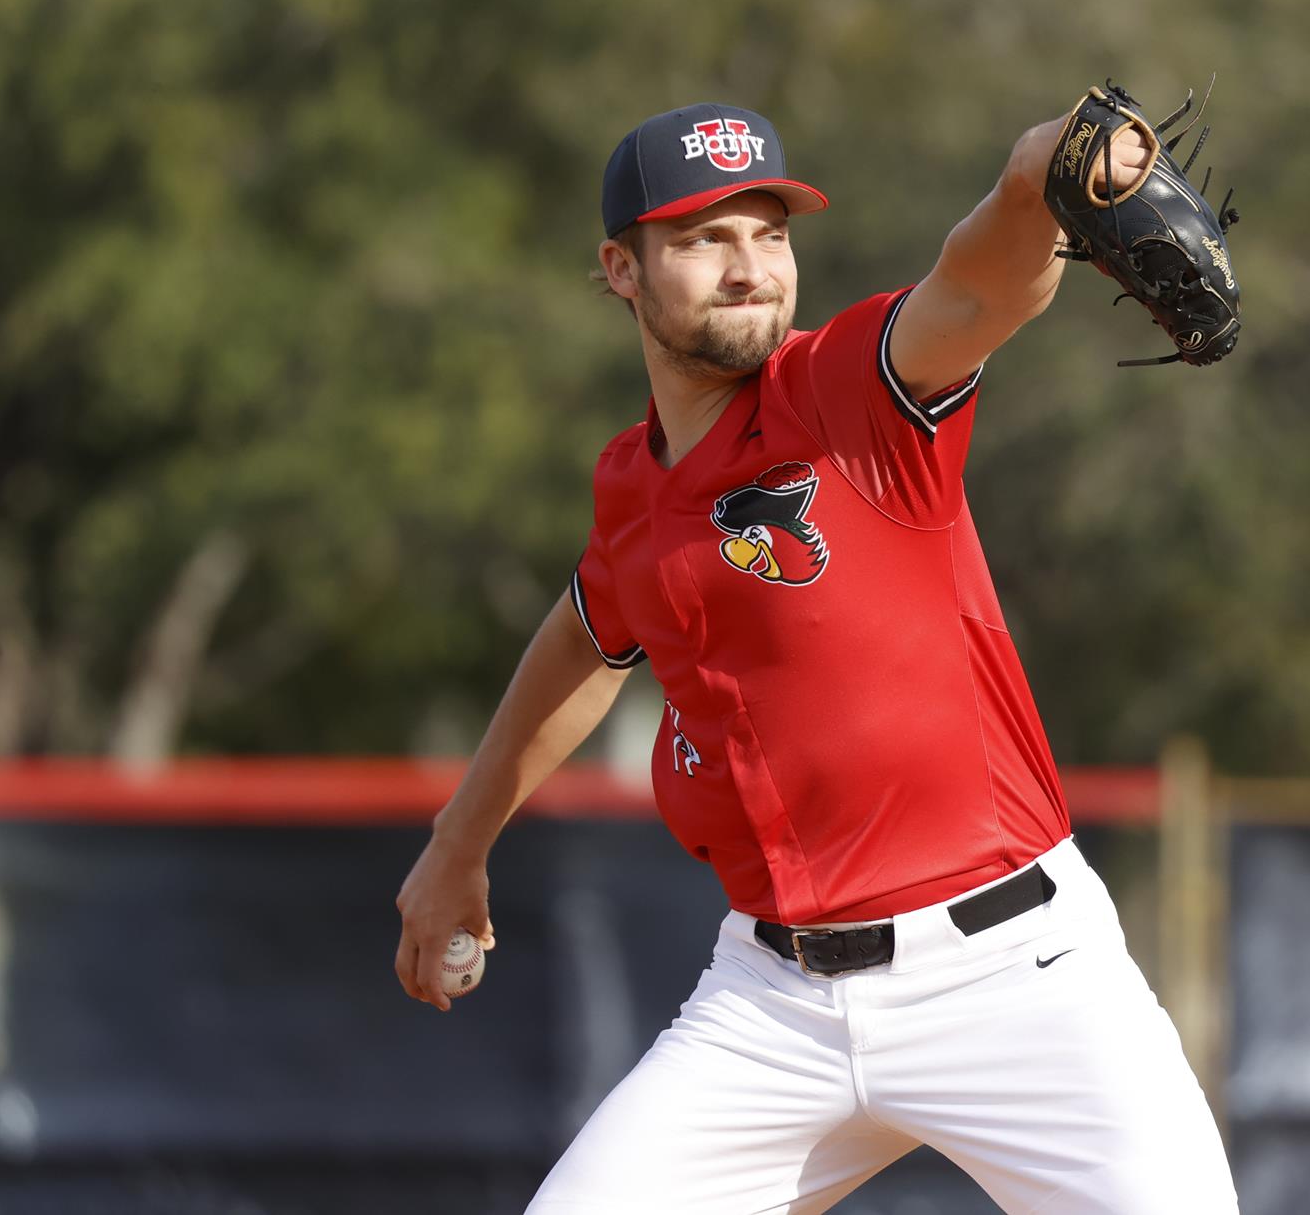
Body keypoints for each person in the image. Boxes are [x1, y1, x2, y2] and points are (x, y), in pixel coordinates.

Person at [394, 101, 1239, 1213]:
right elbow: (590, 632)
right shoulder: (633, 488)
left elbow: (981, 289)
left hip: (1013, 976)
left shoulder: (846, 393)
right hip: (771, 1002)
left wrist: (1034, 176)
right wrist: (458, 843)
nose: (750, 269)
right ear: (621, 268)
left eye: (772, 233)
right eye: (704, 239)